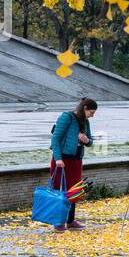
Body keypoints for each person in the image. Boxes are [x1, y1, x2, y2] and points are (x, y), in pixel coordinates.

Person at [50, 97, 97, 231]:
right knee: (59, 191)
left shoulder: (85, 121)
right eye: (91, 113)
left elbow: (90, 141)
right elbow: (56, 138)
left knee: (74, 191)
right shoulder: (66, 118)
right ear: (85, 108)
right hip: (62, 160)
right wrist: (58, 158)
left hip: (76, 160)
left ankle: (70, 221)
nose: (92, 116)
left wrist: (86, 140)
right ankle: (58, 222)